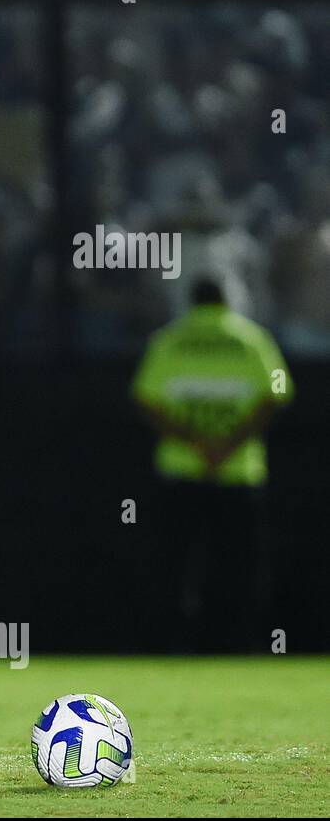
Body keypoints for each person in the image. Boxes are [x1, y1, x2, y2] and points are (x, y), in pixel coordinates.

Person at [131, 278, 293, 652]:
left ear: (192, 300)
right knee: (240, 566)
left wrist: (196, 444)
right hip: (239, 472)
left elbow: (146, 400)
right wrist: (228, 445)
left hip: (182, 472)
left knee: (175, 564)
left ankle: (173, 645)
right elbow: (277, 394)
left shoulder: (169, 340)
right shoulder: (253, 340)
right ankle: (238, 644)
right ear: (227, 301)